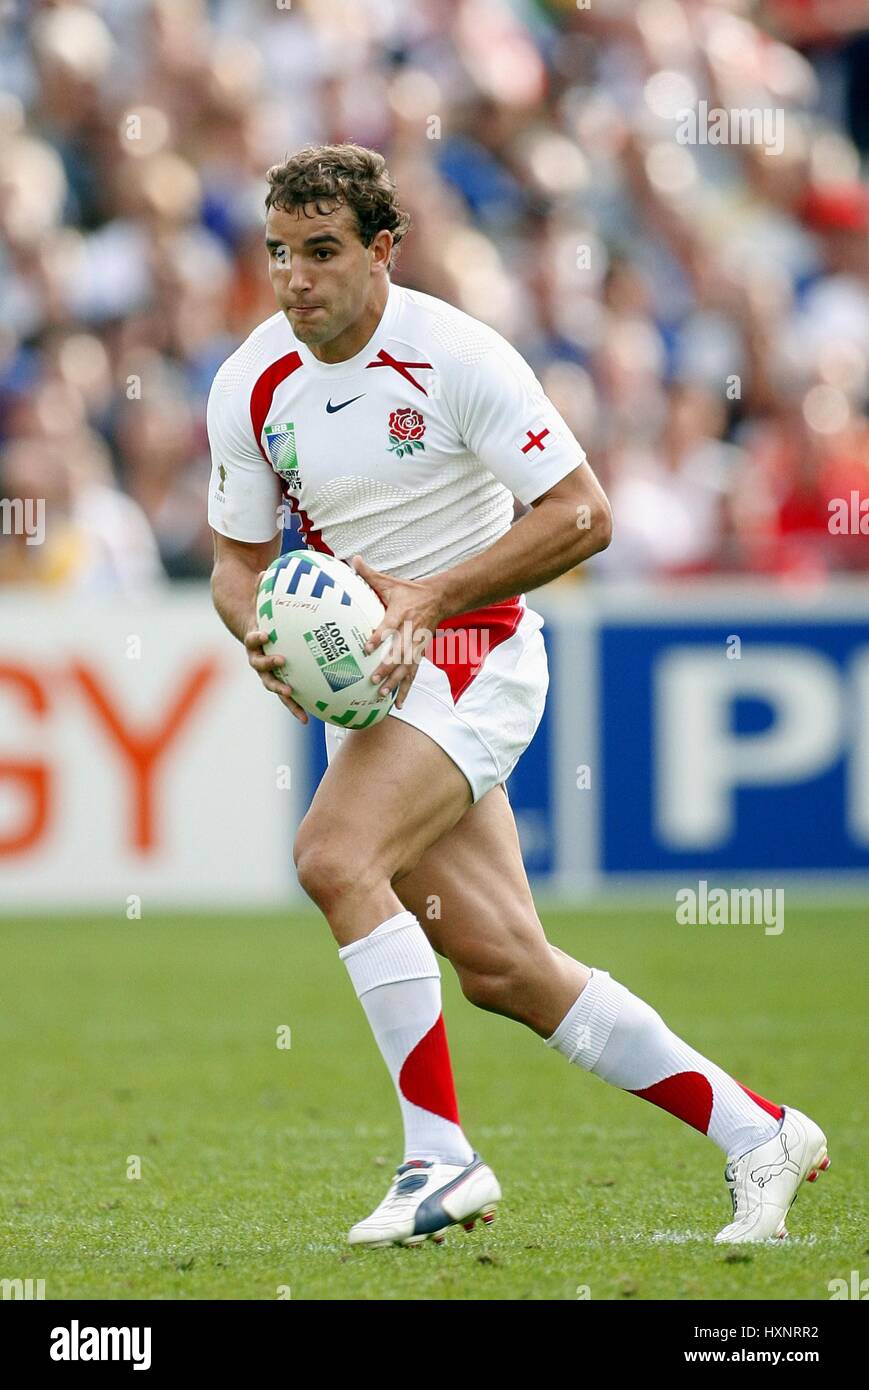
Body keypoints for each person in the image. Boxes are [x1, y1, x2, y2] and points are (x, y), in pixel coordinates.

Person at [207, 144, 828, 1248]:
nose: (294, 278)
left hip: (477, 652)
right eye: (276, 255)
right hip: (384, 677)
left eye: (320, 253)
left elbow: (584, 513)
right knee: (503, 965)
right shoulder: (250, 380)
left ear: (381, 250)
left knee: (333, 855)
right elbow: (232, 559)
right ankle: (757, 1132)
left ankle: (438, 1159)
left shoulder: (454, 356)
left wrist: (427, 598)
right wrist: (259, 635)